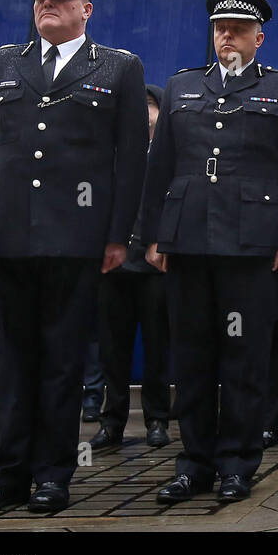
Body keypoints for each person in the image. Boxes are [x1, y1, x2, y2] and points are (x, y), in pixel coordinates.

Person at [0, 0, 148, 516]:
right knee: (11, 359)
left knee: (63, 360)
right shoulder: (5, 62)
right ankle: (7, 473)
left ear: (85, 10)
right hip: (10, 234)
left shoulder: (117, 68)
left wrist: (119, 235)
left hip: (76, 237)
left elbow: (130, 160)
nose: (45, 4)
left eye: (59, 0)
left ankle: (53, 474)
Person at [140, 0, 278, 505]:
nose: (227, 37)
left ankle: (237, 462)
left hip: (251, 243)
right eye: (220, 28)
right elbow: (161, 166)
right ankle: (194, 462)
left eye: (237, 29)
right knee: (191, 357)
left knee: (244, 358)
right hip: (189, 240)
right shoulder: (181, 86)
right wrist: (152, 235)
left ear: (258, 37)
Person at [90, 83, 172, 452]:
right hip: (114, 268)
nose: (142, 112)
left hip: (155, 268)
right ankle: (112, 422)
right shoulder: (110, 154)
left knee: (157, 350)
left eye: (149, 105)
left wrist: (163, 243)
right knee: (112, 351)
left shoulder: (170, 156)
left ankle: (157, 420)